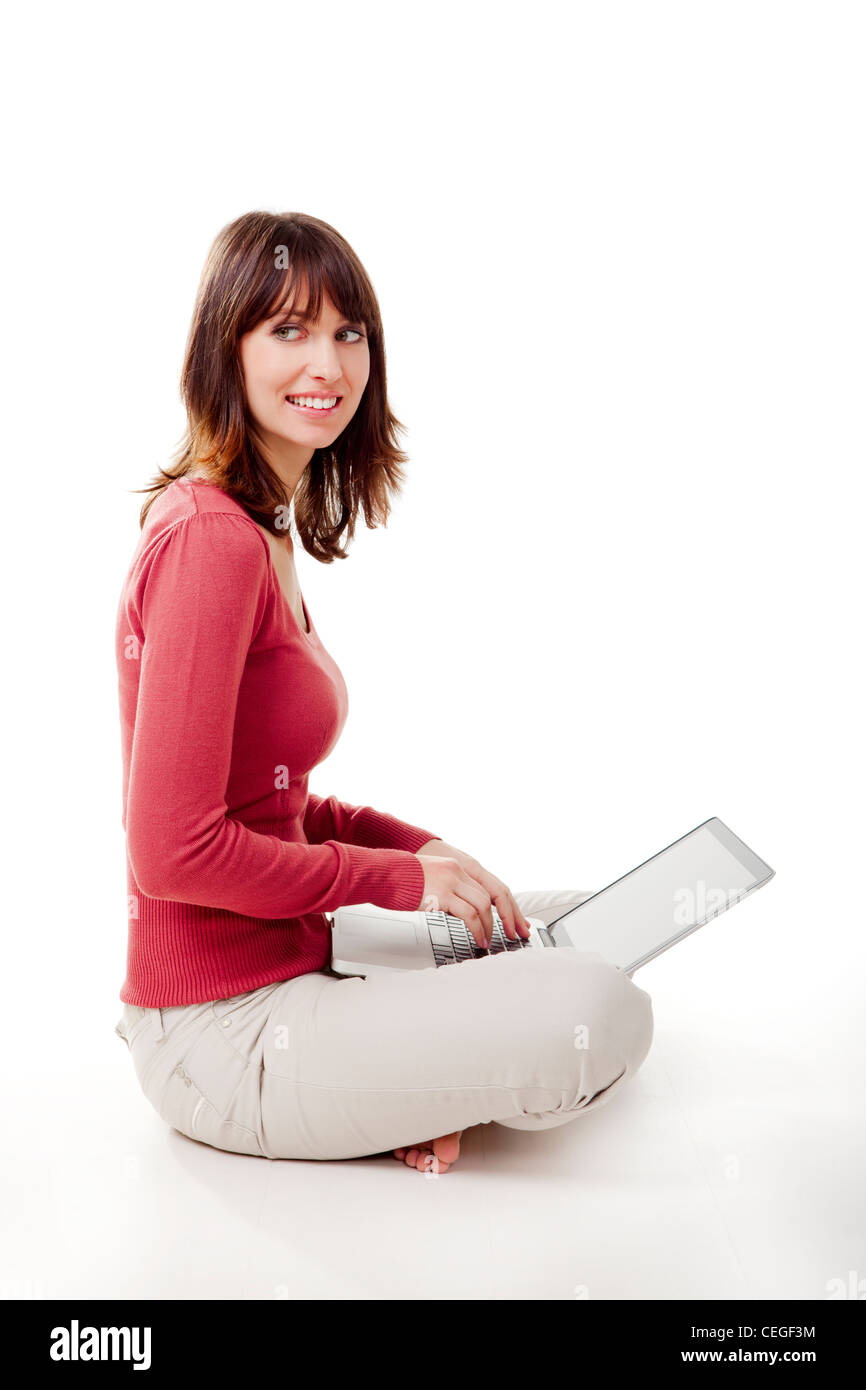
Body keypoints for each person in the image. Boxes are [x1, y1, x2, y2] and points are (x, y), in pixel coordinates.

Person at [114, 210, 654, 1174]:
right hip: (221, 1031)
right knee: (600, 1010)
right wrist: (399, 887)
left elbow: (277, 804)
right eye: (287, 330)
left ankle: (398, 1081)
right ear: (222, 350)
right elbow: (172, 850)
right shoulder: (208, 541)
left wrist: (421, 850)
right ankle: (387, 1094)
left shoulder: (257, 527)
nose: (326, 363)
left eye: (347, 332)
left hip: (302, 956)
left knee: (582, 924)